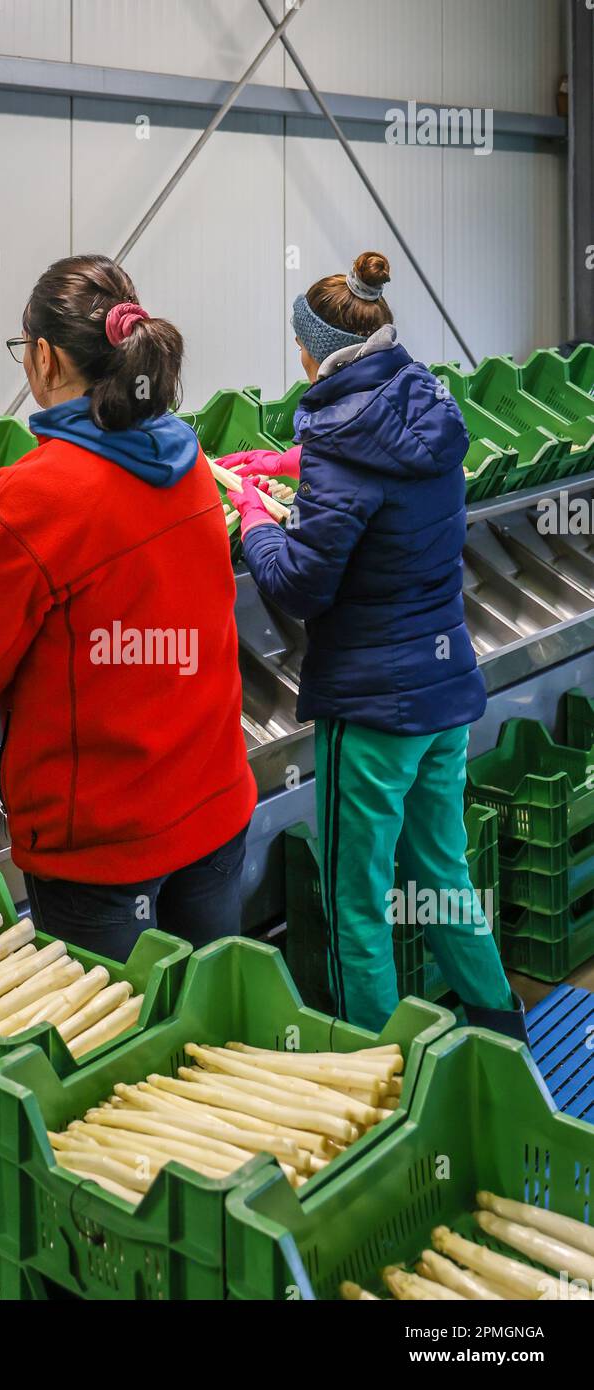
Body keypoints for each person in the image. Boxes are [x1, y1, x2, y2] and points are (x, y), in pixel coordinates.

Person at [0, 254, 256, 958]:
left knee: (111, 1054)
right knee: (209, 1041)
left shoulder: (37, 499)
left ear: (44, 357)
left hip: (105, 847)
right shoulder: (184, 454)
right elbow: (87, 518)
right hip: (213, 806)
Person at [225, 251, 526, 1041]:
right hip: (443, 689)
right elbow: (386, 475)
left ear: (316, 351)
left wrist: (255, 516)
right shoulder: (425, 404)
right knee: (443, 876)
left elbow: (296, 585)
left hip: (370, 707)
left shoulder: (338, 439)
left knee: (356, 901)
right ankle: (502, 1033)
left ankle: (379, 1084)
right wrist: (293, 463)